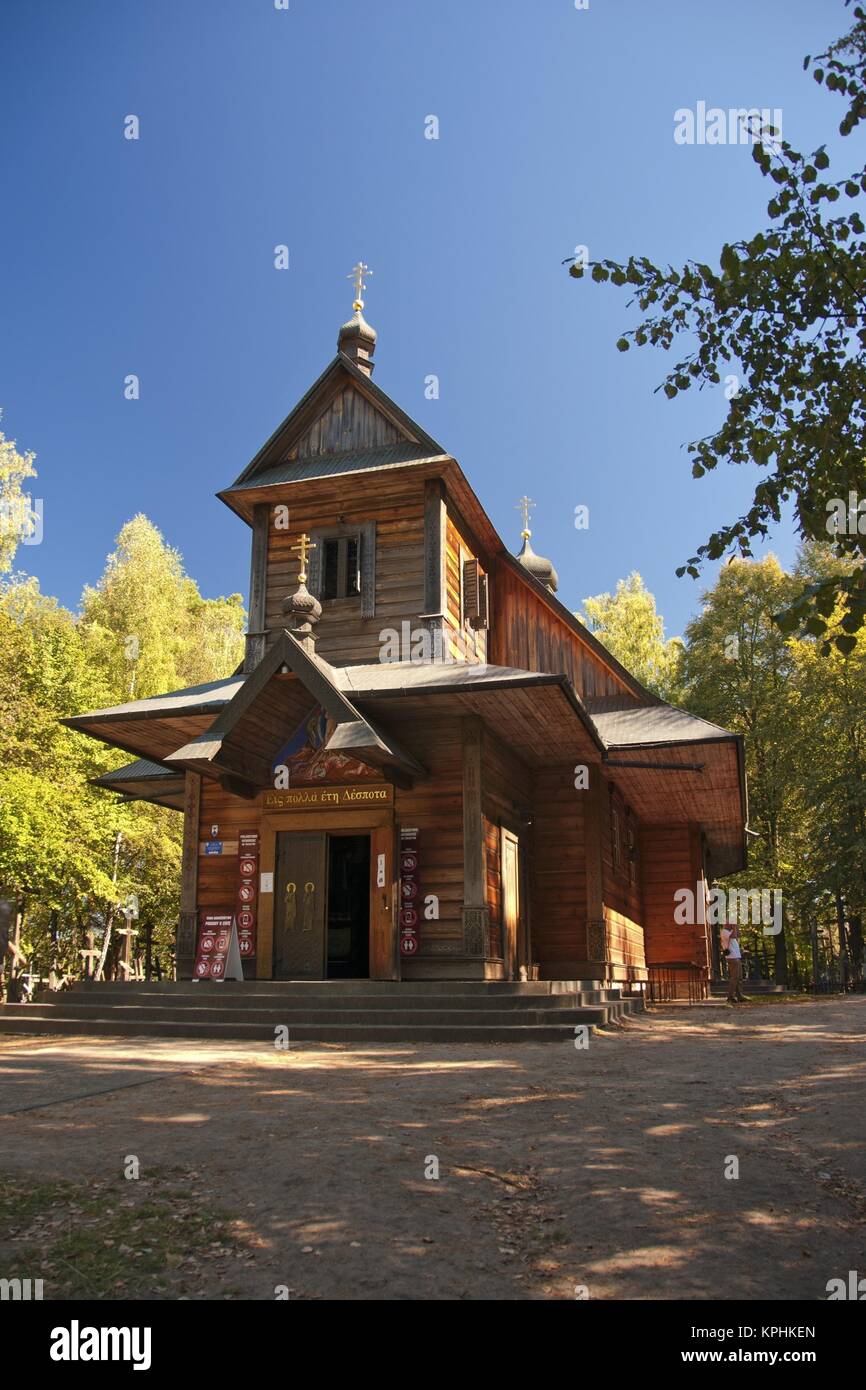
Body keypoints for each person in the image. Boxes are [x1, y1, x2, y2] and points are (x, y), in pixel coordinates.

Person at [723, 922, 748, 1003]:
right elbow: (734, 936)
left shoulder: (730, 931)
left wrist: (736, 927)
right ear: (726, 924)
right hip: (732, 957)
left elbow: (738, 935)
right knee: (734, 978)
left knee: (739, 977)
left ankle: (740, 995)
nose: (731, 924)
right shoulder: (724, 931)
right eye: (730, 923)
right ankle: (730, 997)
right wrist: (734, 927)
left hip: (736, 957)